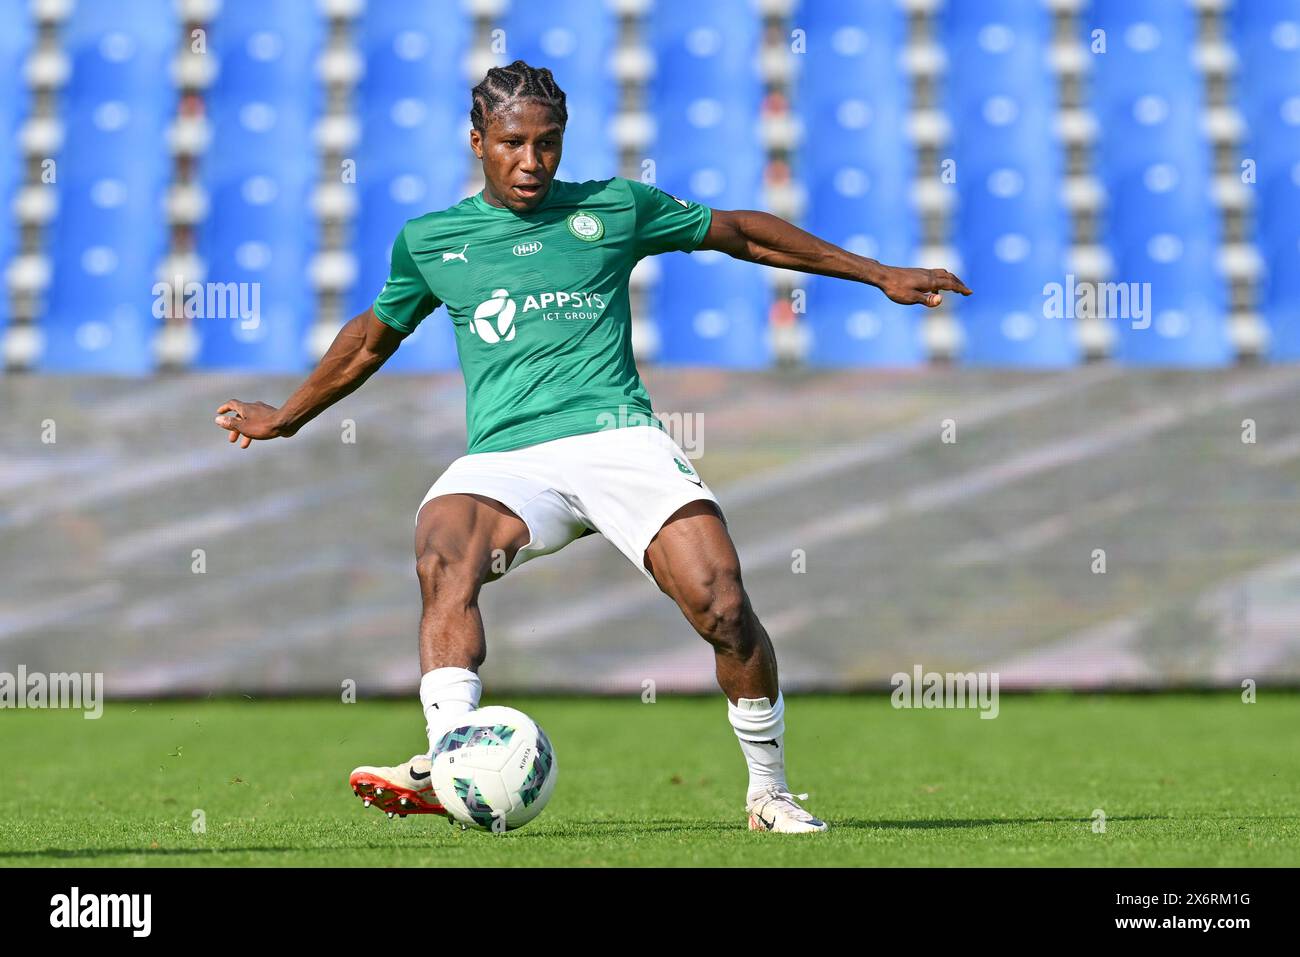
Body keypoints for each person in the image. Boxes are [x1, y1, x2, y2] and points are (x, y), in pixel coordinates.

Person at [214, 60, 971, 833]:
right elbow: (371, 339)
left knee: (723, 603)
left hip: (618, 440)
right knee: (443, 550)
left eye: (547, 144)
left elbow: (740, 232)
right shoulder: (433, 242)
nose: (531, 162)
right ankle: (451, 757)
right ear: (477, 142)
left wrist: (878, 273)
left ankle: (769, 792)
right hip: (509, 456)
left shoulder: (616, 207)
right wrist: (288, 416)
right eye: (512, 143)